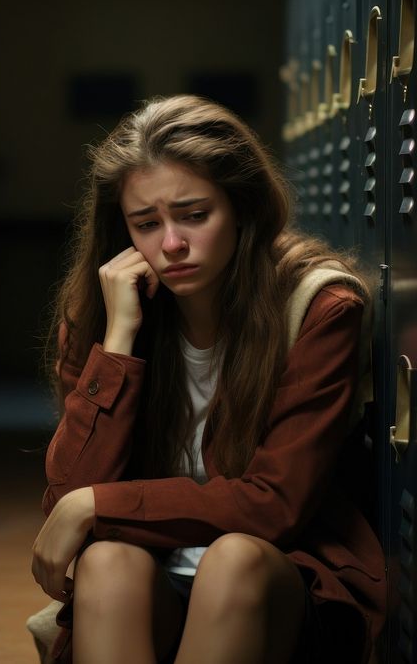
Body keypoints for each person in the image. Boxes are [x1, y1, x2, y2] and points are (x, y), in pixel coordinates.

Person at [30, 95, 386, 664]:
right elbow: (68, 492)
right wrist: (119, 342)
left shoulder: (319, 308)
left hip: (273, 586)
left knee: (232, 559)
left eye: (195, 215)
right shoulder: (105, 312)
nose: (171, 244)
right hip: (156, 581)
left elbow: (274, 505)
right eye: (146, 224)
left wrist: (94, 505)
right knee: (105, 561)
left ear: (241, 208)